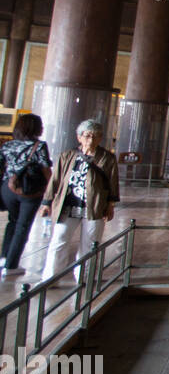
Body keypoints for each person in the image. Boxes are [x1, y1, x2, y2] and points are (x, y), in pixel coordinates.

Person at [39, 119, 120, 284]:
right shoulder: (67, 156)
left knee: (90, 243)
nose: (91, 139)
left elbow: (113, 182)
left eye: (96, 136)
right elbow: (55, 180)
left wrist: (111, 205)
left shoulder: (107, 158)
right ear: (79, 137)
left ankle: (84, 277)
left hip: (94, 206)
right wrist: (46, 202)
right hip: (68, 204)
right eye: (88, 135)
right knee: (59, 240)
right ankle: (50, 278)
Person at [1, 113, 52, 277]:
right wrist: (51, 191)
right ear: (36, 128)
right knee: (22, 226)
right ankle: (11, 265)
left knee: (12, 222)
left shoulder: (8, 145)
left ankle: (4, 258)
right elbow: (46, 169)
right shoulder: (39, 146)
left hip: (7, 188)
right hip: (29, 191)